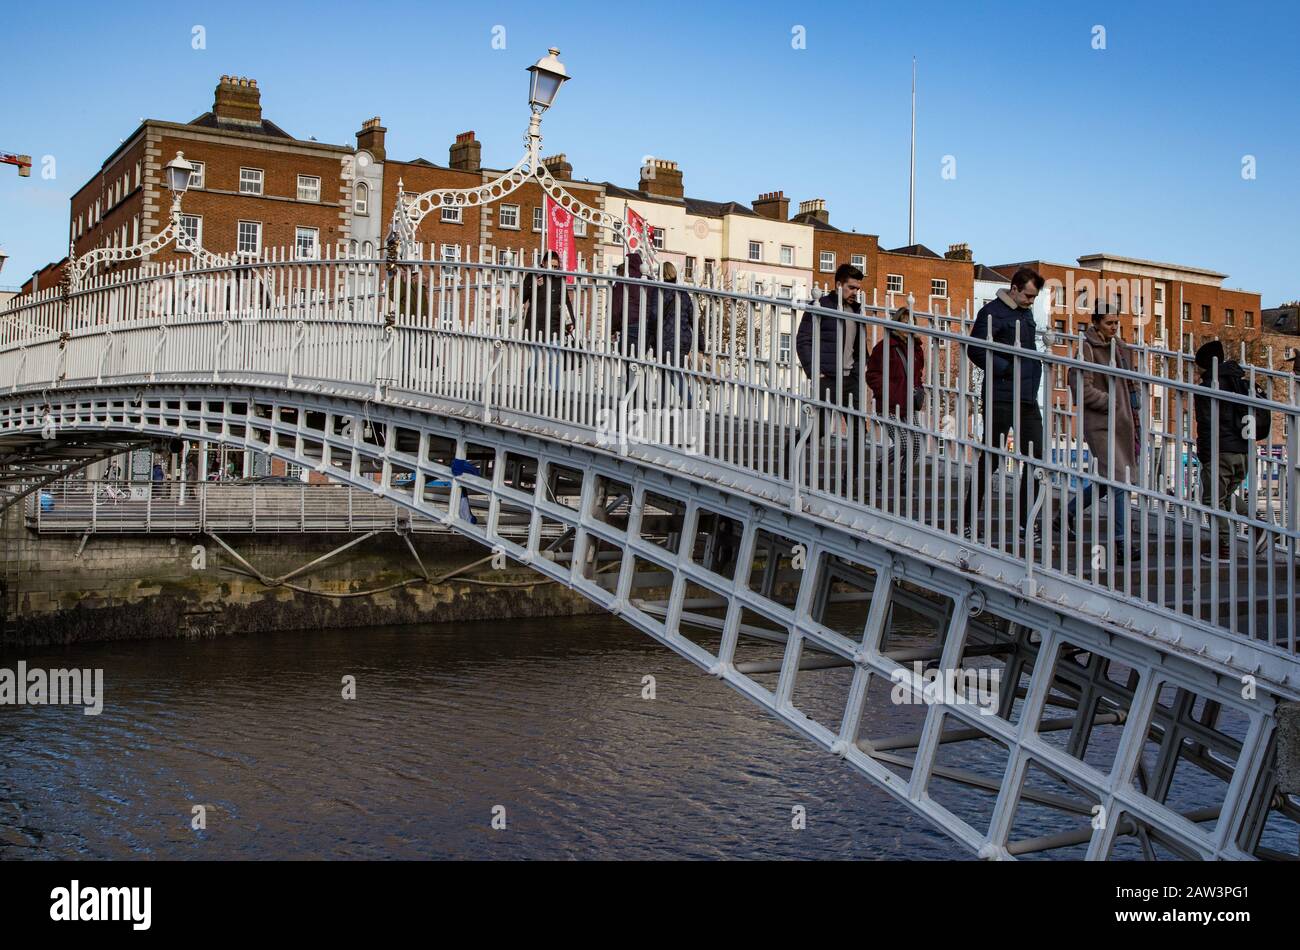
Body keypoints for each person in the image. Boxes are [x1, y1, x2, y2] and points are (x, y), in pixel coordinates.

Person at [963, 266, 1046, 543]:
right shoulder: (992, 312)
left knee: (1037, 460)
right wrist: (1005, 368)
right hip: (1000, 395)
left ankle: (1027, 524)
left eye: (1034, 297)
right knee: (993, 457)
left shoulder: (1026, 312)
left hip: (1027, 398)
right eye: (1028, 296)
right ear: (1014, 288)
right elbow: (974, 347)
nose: (1031, 301)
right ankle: (968, 520)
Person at [1067, 302, 1141, 563]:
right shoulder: (1086, 348)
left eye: (1116, 323)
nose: (1113, 328)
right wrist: (1111, 402)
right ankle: (1122, 543)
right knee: (1119, 480)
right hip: (1100, 424)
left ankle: (1067, 513)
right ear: (1096, 322)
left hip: (1120, 423)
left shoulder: (1120, 349)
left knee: (1109, 480)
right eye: (1109, 323)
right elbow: (1080, 387)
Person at [1193, 340, 1269, 558]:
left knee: (1211, 500)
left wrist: (1206, 457)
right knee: (1224, 496)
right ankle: (1259, 525)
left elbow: (1206, 425)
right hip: (1244, 453)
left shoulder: (1208, 388)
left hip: (1221, 452)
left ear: (1204, 365)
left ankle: (1224, 547)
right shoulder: (1241, 382)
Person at [796, 263, 865, 449]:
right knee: (820, 428)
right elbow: (803, 340)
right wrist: (814, 371)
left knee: (859, 432)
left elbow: (858, 345)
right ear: (838, 285)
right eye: (851, 287)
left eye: (857, 289)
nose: (855, 292)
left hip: (850, 378)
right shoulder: (821, 306)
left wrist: (859, 370)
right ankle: (790, 457)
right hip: (827, 377)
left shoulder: (857, 310)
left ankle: (851, 478)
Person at [865, 305, 926, 489]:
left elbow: (917, 375)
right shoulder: (885, 347)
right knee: (902, 443)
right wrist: (887, 392)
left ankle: (904, 478)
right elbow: (872, 374)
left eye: (911, 322)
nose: (908, 325)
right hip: (889, 404)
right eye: (904, 321)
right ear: (896, 323)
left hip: (908, 403)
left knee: (916, 442)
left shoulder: (916, 349)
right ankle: (881, 465)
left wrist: (919, 389)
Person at [646, 261, 697, 408]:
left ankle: (688, 401)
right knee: (668, 370)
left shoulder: (659, 291)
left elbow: (654, 315)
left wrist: (650, 335)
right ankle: (663, 403)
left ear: (662, 274)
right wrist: (700, 344)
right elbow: (694, 320)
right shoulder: (684, 294)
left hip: (665, 338)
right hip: (684, 340)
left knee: (671, 372)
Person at [610, 252, 649, 353]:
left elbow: (615, 309)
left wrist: (613, 329)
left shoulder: (622, 282)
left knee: (628, 363)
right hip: (648, 328)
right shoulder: (650, 281)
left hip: (630, 327)